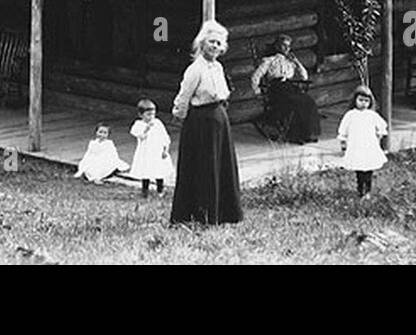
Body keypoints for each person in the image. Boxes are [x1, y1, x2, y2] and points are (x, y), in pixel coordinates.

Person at [170, 20, 243, 225]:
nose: (215, 47)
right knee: (204, 167)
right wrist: (181, 116)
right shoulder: (195, 69)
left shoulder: (218, 67)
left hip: (219, 118)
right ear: (202, 43)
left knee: (222, 166)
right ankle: (200, 214)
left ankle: (224, 214)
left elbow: (222, 92)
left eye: (219, 44)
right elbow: (184, 97)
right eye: (212, 42)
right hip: (200, 123)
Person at [250, 33, 322, 143]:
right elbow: (256, 76)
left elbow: (304, 76)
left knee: (308, 101)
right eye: (284, 45)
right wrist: (257, 91)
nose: (287, 48)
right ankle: (296, 136)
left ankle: (309, 134)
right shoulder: (269, 60)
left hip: (290, 87)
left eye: (288, 46)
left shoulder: (290, 62)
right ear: (277, 46)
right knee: (294, 103)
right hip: (276, 88)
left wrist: (297, 63)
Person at [336, 84, 388, 197]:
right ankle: (360, 189)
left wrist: (378, 136)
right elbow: (343, 130)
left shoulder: (372, 115)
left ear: (370, 102)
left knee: (368, 169)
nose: (363, 103)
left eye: (366, 101)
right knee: (359, 169)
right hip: (356, 146)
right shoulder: (350, 115)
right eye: (360, 100)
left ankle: (368, 190)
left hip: (369, 146)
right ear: (355, 100)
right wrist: (343, 144)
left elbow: (382, 126)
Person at [127, 98, 173, 196]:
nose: (151, 117)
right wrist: (146, 129)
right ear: (141, 115)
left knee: (159, 170)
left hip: (157, 151)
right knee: (146, 171)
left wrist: (165, 149)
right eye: (148, 114)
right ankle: (145, 190)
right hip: (145, 152)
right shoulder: (139, 124)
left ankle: (160, 189)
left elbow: (164, 137)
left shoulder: (158, 123)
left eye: (153, 114)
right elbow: (140, 135)